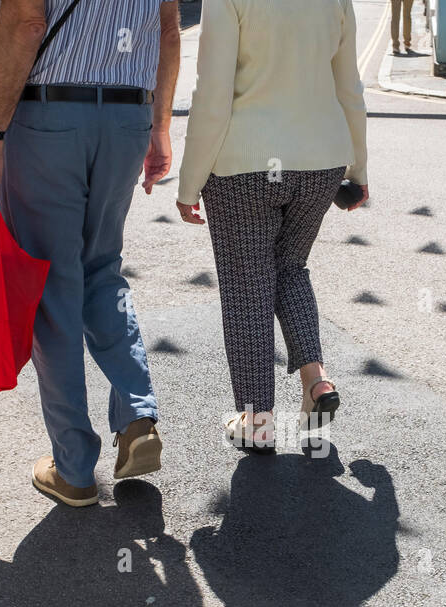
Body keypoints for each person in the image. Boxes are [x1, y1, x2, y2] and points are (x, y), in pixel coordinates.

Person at [0, 0, 180, 508]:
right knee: (102, 269)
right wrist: (160, 124)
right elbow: (169, 35)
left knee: (52, 286)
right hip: (129, 115)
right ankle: (137, 417)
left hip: (47, 118)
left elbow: (25, 21)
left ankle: (75, 468)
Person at [175, 0, 368, 453]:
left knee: (246, 288)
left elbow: (211, 95)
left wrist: (189, 183)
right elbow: (350, 89)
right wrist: (358, 171)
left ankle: (258, 422)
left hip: (244, 163)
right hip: (321, 160)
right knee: (290, 267)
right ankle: (316, 381)